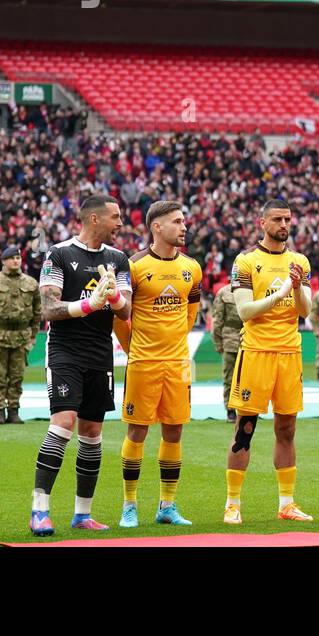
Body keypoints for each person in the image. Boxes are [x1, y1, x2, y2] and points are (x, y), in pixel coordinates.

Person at [30, 193, 132, 536]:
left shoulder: (118, 259)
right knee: (63, 422)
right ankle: (39, 509)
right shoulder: (58, 253)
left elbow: (126, 310)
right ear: (94, 219)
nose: (120, 223)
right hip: (65, 350)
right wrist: (90, 303)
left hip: (100, 352)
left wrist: (113, 295)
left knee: (92, 433)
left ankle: (82, 514)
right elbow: (49, 309)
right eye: (115, 217)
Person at [223, 198, 314, 525]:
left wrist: (297, 286)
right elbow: (245, 311)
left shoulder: (299, 260)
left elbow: (306, 311)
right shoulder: (245, 261)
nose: (284, 225)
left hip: (290, 352)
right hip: (257, 352)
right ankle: (232, 504)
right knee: (245, 428)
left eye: (288, 219)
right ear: (262, 222)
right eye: (277, 219)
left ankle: (287, 504)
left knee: (287, 428)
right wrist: (281, 292)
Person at [118, 201, 203, 529]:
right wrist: (133, 350)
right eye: (177, 222)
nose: (184, 227)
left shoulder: (191, 268)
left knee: (174, 430)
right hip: (144, 362)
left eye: (184, 221)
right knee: (137, 431)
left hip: (178, 363)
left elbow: (191, 311)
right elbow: (120, 318)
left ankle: (167, 505)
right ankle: (129, 505)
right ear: (157, 227)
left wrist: (178, 342)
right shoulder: (134, 266)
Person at [0, 246, 40, 424]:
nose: (16, 261)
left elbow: (37, 311)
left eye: (18, 258)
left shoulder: (30, 283)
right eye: (12, 258)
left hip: (21, 335)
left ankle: (13, 410)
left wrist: (33, 334)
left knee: (17, 375)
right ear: (3, 261)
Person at [210, 280, 241, 422]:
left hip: (251, 339)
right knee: (230, 377)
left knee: (251, 378)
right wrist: (218, 343)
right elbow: (217, 319)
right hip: (230, 339)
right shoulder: (224, 292)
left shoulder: (255, 289)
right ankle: (230, 410)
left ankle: (248, 409)